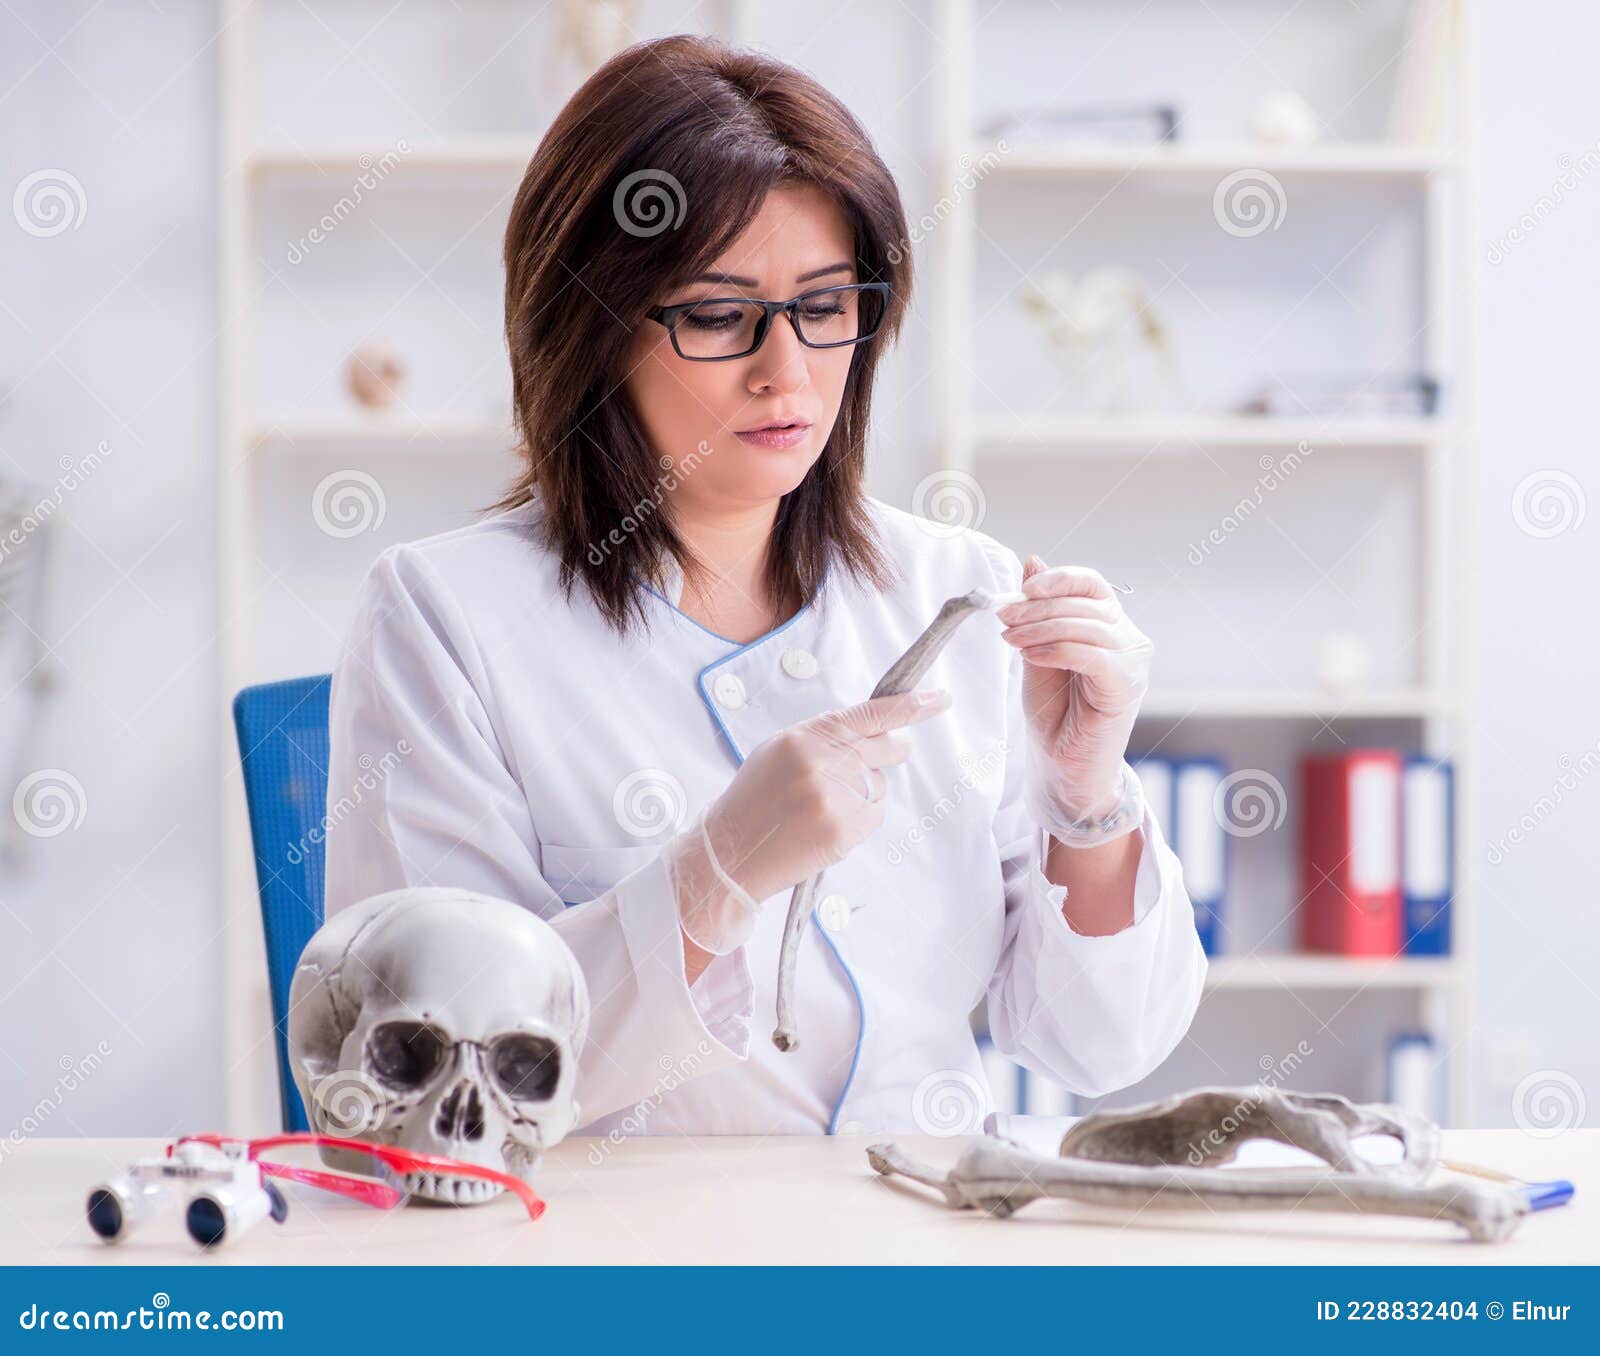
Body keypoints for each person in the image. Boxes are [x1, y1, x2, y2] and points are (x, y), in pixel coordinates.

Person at [324, 33, 1205, 1136]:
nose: (785, 372)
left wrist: (1087, 797)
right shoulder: (446, 618)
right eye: (715, 314)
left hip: (928, 1245)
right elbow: (423, 1086)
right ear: (590, 328)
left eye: (826, 305)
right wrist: (713, 878)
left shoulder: (955, 589)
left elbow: (1099, 1044)